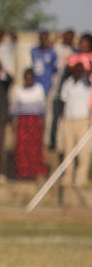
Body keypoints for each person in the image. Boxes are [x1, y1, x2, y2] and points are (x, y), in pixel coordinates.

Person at [57, 62, 92, 201]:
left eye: (80, 70)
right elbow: (63, 101)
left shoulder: (87, 84)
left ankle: (80, 179)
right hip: (68, 121)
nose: (78, 72)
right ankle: (67, 177)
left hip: (83, 121)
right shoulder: (67, 84)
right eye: (76, 70)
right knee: (68, 151)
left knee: (83, 152)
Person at [11, 69, 48, 181]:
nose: (29, 80)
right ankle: (23, 172)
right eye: (27, 77)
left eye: (30, 77)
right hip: (23, 121)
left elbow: (42, 109)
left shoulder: (39, 89)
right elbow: (15, 109)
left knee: (35, 147)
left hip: (34, 121)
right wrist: (14, 123)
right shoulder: (18, 90)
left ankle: (35, 172)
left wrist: (42, 123)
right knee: (22, 147)